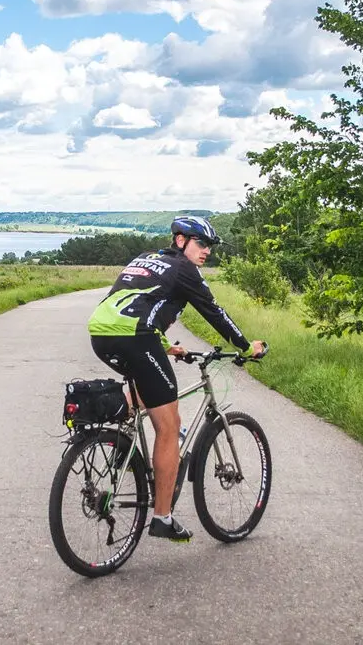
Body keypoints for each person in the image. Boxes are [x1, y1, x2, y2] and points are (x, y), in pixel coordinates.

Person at [87, 215, 266, 541]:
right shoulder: (186, 270)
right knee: (169, 426)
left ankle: (120, 446)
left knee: (148, 391)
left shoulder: (144, 259)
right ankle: (163, 518)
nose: (206, 251)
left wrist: (168, 347)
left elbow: (138, 304)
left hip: (100, 333)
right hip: (136, 338)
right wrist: (245, 346)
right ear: (180, 240)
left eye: (210, 246)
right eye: (201, 243)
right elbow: (215, 312)